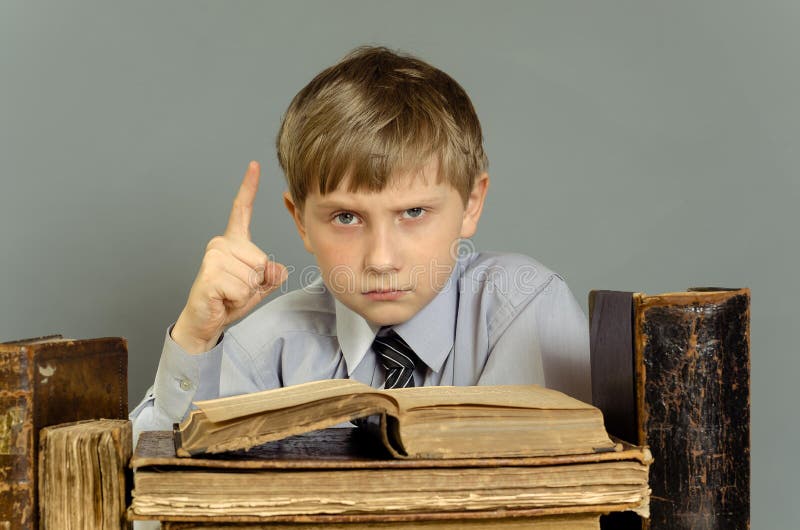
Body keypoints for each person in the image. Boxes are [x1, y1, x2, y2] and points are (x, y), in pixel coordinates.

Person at [129, 46, 591, 443]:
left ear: (471, 204)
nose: (382, 260)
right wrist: (195, 339)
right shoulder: (266, 349)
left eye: (414, 212)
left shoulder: (523, 310)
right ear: (301, 221)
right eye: (346, 218)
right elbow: (148, 496)